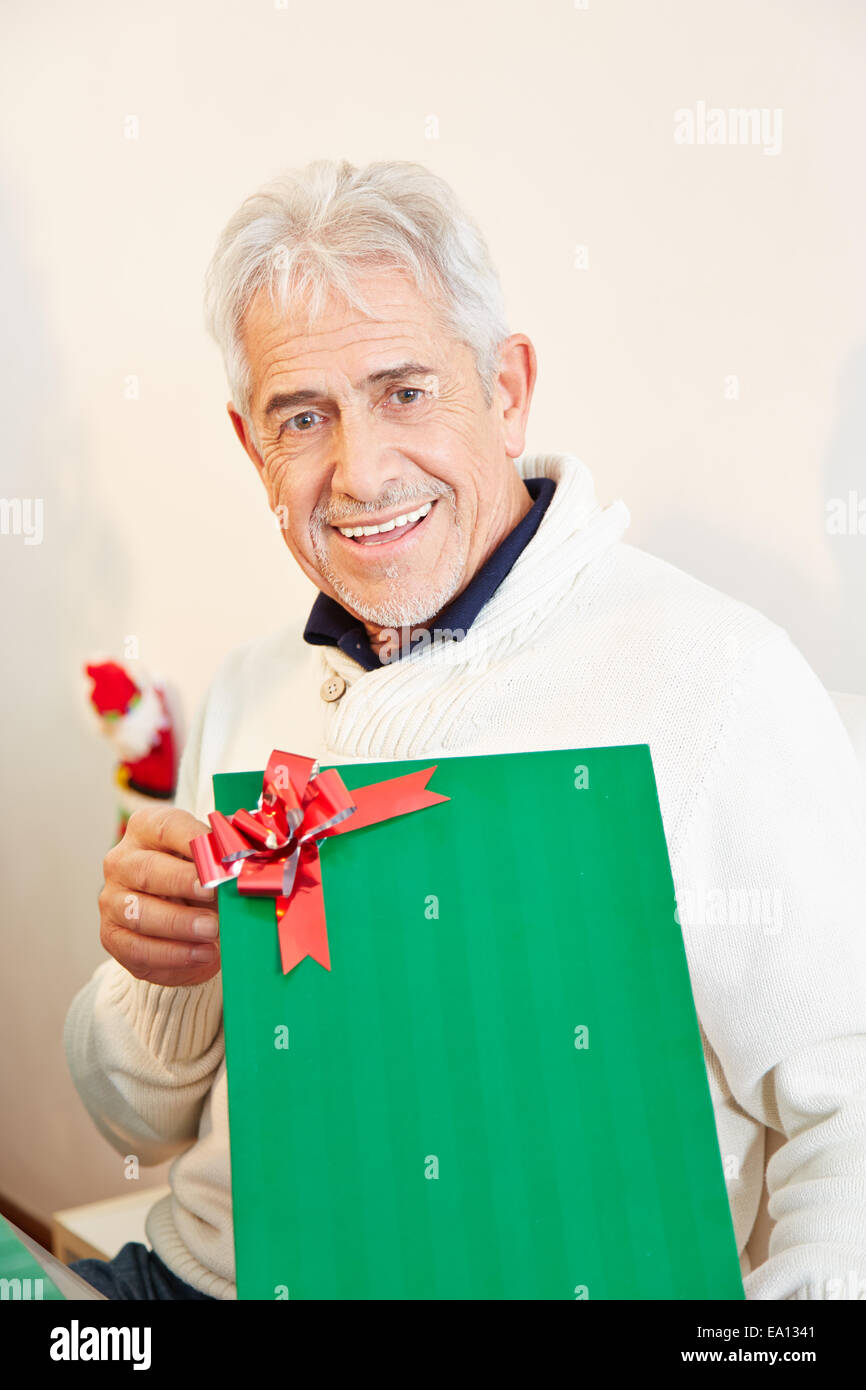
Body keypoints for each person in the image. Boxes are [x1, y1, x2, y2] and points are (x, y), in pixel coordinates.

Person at [65, 158, 866, 1301]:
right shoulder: (255, 688)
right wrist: (165, 972)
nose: (360, 469)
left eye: (403, 390)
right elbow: (128, 1116)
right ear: (252, 447)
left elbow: (852, 1121)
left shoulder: (717, 679)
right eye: (305, 416)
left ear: (505, 388)